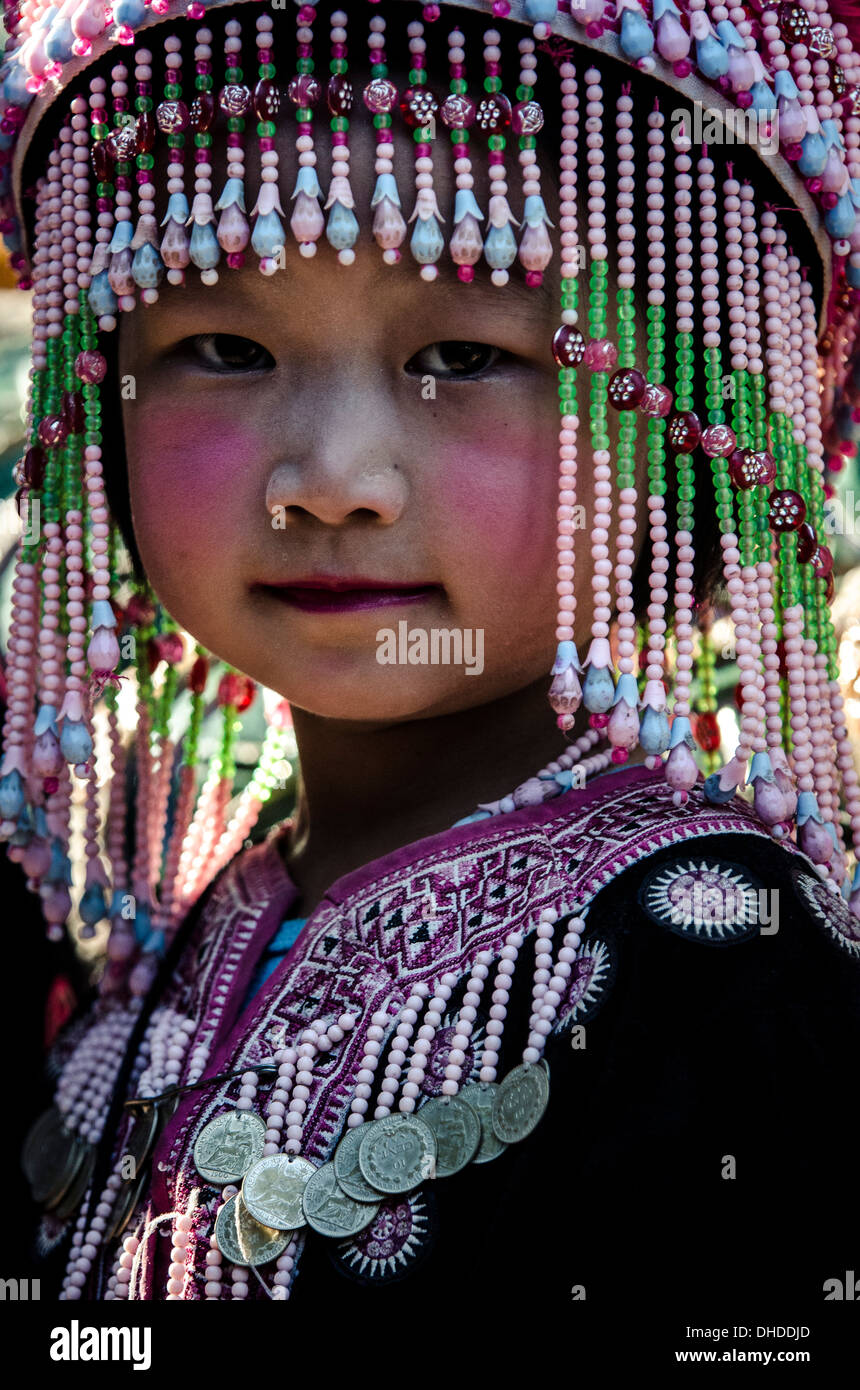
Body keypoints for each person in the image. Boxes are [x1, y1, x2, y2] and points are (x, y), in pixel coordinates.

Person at [1, 0, 859, 1326]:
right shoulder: (161, 915)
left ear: (690, 432)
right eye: (222, 349)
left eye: (465, 355)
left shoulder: (732, 966)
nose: (334, 479)